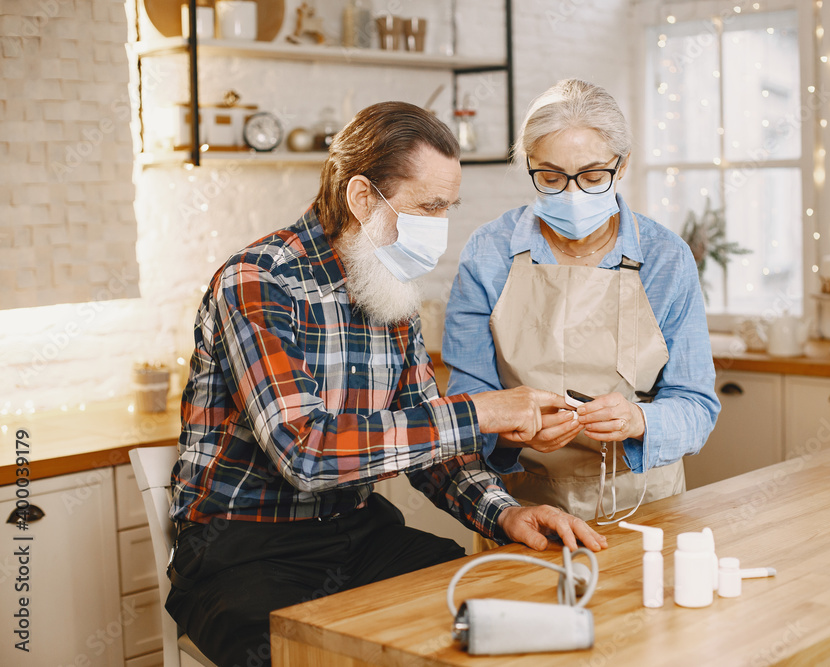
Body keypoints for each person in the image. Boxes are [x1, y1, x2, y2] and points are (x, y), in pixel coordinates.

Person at [165, 101, 606, 667]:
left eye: (448, 207)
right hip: (241, 553)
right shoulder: (258, 281)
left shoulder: (389, 290)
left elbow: (428, 444)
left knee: (489, 612)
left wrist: (504, 513)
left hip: (358, 534)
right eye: (429, 206)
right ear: (362, 198)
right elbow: (306, 451)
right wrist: (484, 412)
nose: (441, 225)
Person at [443, 79, 720, 522]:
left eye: (593, 177)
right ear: (529, 165)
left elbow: (696, 404)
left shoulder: (666, 257)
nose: (572, 195)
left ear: (623, 165)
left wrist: (638, 421)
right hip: (521, 509)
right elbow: (466, 403)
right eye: (550, 178)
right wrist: (518, 432)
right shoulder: (489, 252)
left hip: (646, 505)